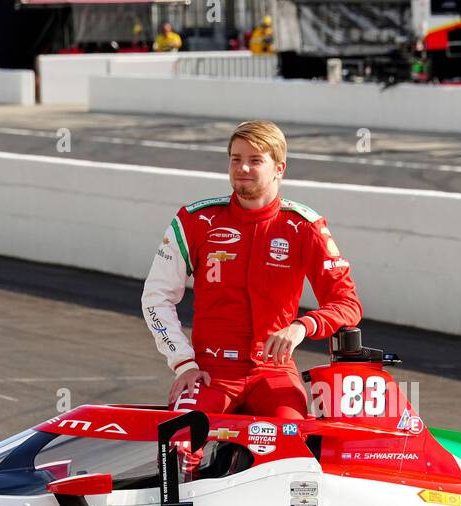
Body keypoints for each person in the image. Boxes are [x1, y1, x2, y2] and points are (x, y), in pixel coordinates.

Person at [141, 120, 362, 419]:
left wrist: (301, 327)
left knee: (294, 447)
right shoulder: (195, 220)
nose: (242, 168)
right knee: (179, 444)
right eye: (236, 159)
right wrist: (183, 363)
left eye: (255, 160)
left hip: (274, 372)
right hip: (208, 372)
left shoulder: (304, 226)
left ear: (279, 168)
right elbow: (156, 297)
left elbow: (347, 303)